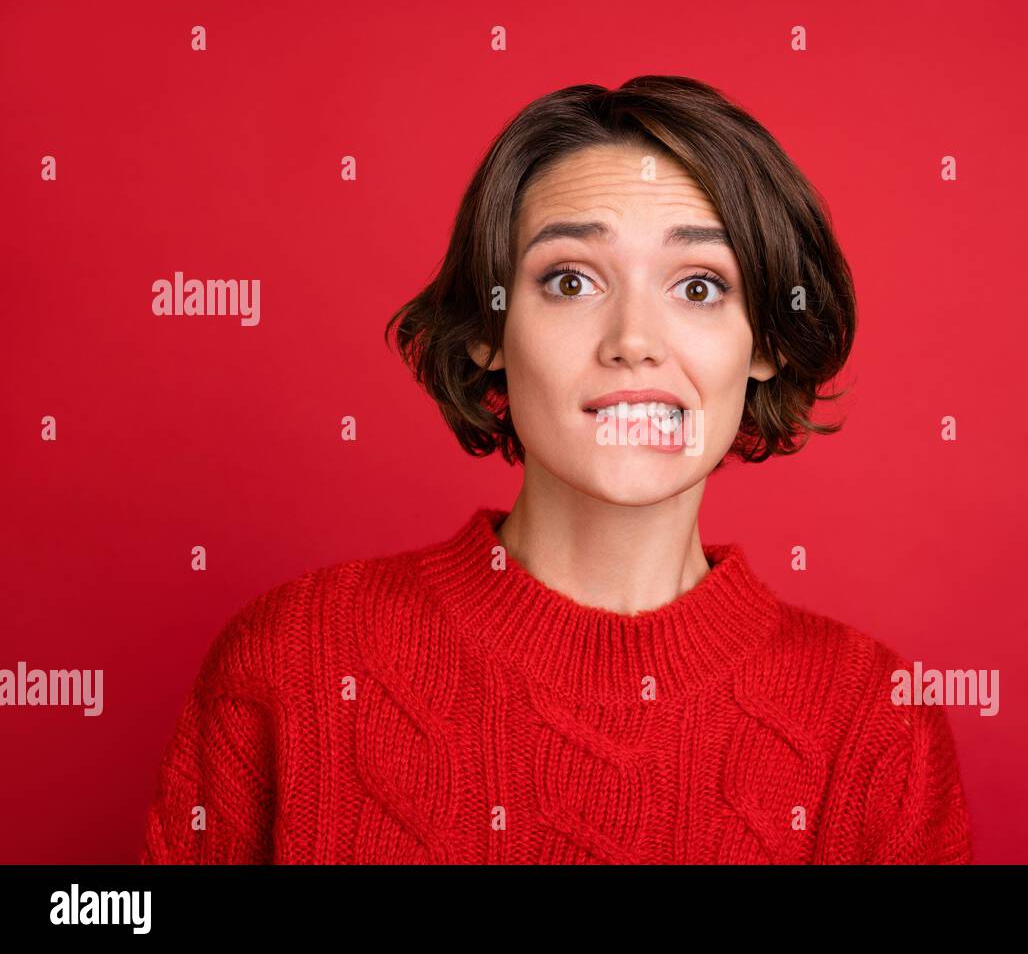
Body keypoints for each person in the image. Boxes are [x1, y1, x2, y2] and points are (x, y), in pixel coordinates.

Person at [138, 75, 973, 864]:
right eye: (571, 280)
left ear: (765, 345)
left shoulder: (874, 724)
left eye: (699, 286)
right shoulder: (293, 662)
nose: (633, 339)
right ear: (487, 332)